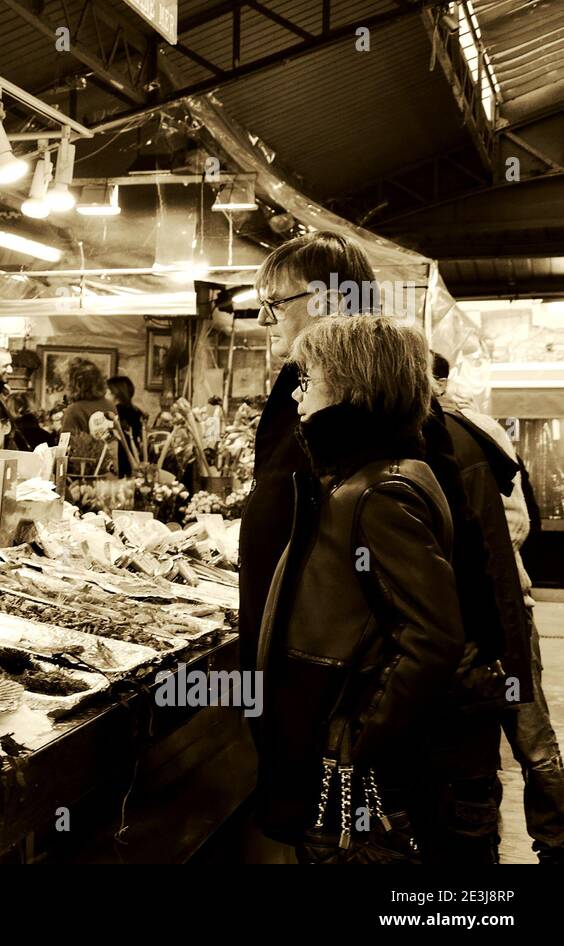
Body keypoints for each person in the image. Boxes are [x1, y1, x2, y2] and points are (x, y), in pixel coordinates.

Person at [240, 230, 513, 862]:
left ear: (332, 301)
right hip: (324, 708)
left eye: (276, 302)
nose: (265, 318)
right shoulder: (351, 426)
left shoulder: (390, 459)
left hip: (357, 725)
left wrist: (365, 737)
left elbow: (442, 620)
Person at [257, 315, 464, 861]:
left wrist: (361, 739)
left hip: (339, 748)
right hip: (325, 729)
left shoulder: (379, 491)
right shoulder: (363, 476)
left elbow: (432, 636)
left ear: (352, 386)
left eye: (310, 380)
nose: (299, 396)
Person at [434, 354, 564, 863]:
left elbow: (514, 522)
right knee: (491, 746)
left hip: (507, 610)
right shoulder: (428, 433)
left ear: (437, 380)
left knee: (532, 740)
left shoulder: (472, 431)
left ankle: (554, 845)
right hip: (479, 617)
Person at [106, 375, 144, 472]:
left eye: (107, 391)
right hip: (136, 458)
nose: (105, 395)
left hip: (121, 459)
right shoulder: (137, 412)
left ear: (115, 393)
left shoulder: (114, 414)